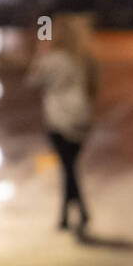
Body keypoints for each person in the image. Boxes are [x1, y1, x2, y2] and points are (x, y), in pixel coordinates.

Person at [26, 14, 97, 232]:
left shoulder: (52, 60)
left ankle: (72, 215)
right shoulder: (85, 59)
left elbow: (31, 81)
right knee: (71, 167)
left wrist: (40, 54)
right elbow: (93, 88)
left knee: (68, 168)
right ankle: (73, 214)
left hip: (58, 117)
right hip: (81, 114)